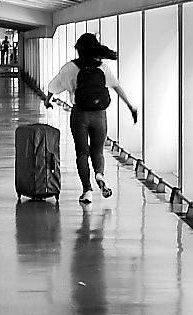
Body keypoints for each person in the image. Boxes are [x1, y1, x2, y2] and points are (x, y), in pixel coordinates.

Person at [41, 33, 138, 199]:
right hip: (100, 116)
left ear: (78, 49)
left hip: (80, 114)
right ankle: (99, 174)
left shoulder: (69, 68)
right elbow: (116, 87)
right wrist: (130, 106)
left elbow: (52, 87)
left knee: (82, 153)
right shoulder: (103, 68)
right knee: (98, 151)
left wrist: (47, 101)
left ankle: (87, 191)